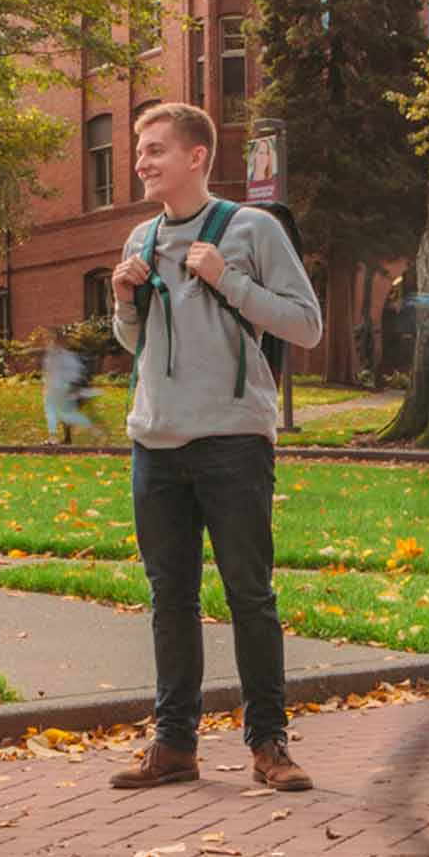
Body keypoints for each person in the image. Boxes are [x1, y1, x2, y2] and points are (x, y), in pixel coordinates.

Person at [108, 102, 323, 792]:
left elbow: (307, 325)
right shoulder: (140, 238)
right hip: (156, 442)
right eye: (140, 150)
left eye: (155, 149)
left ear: (196, 156)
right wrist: (122, 300)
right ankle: (175, 745)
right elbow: (136, 345)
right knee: (169, 594)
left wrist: (226, 278)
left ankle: (268, 743)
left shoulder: (251, 229)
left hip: (232, 439)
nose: (141, 161)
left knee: (248, 594)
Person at [41, 326, 101, 443]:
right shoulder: (51, 355)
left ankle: (94, 430)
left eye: (51, 339)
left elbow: (75, 373)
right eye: (47, 339)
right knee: (57, 413)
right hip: (56, 389)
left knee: (61, 414)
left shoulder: (66, 356)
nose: (48, 342)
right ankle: (54, 437)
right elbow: (49, 373)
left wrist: (72, 388)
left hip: (63, 389)